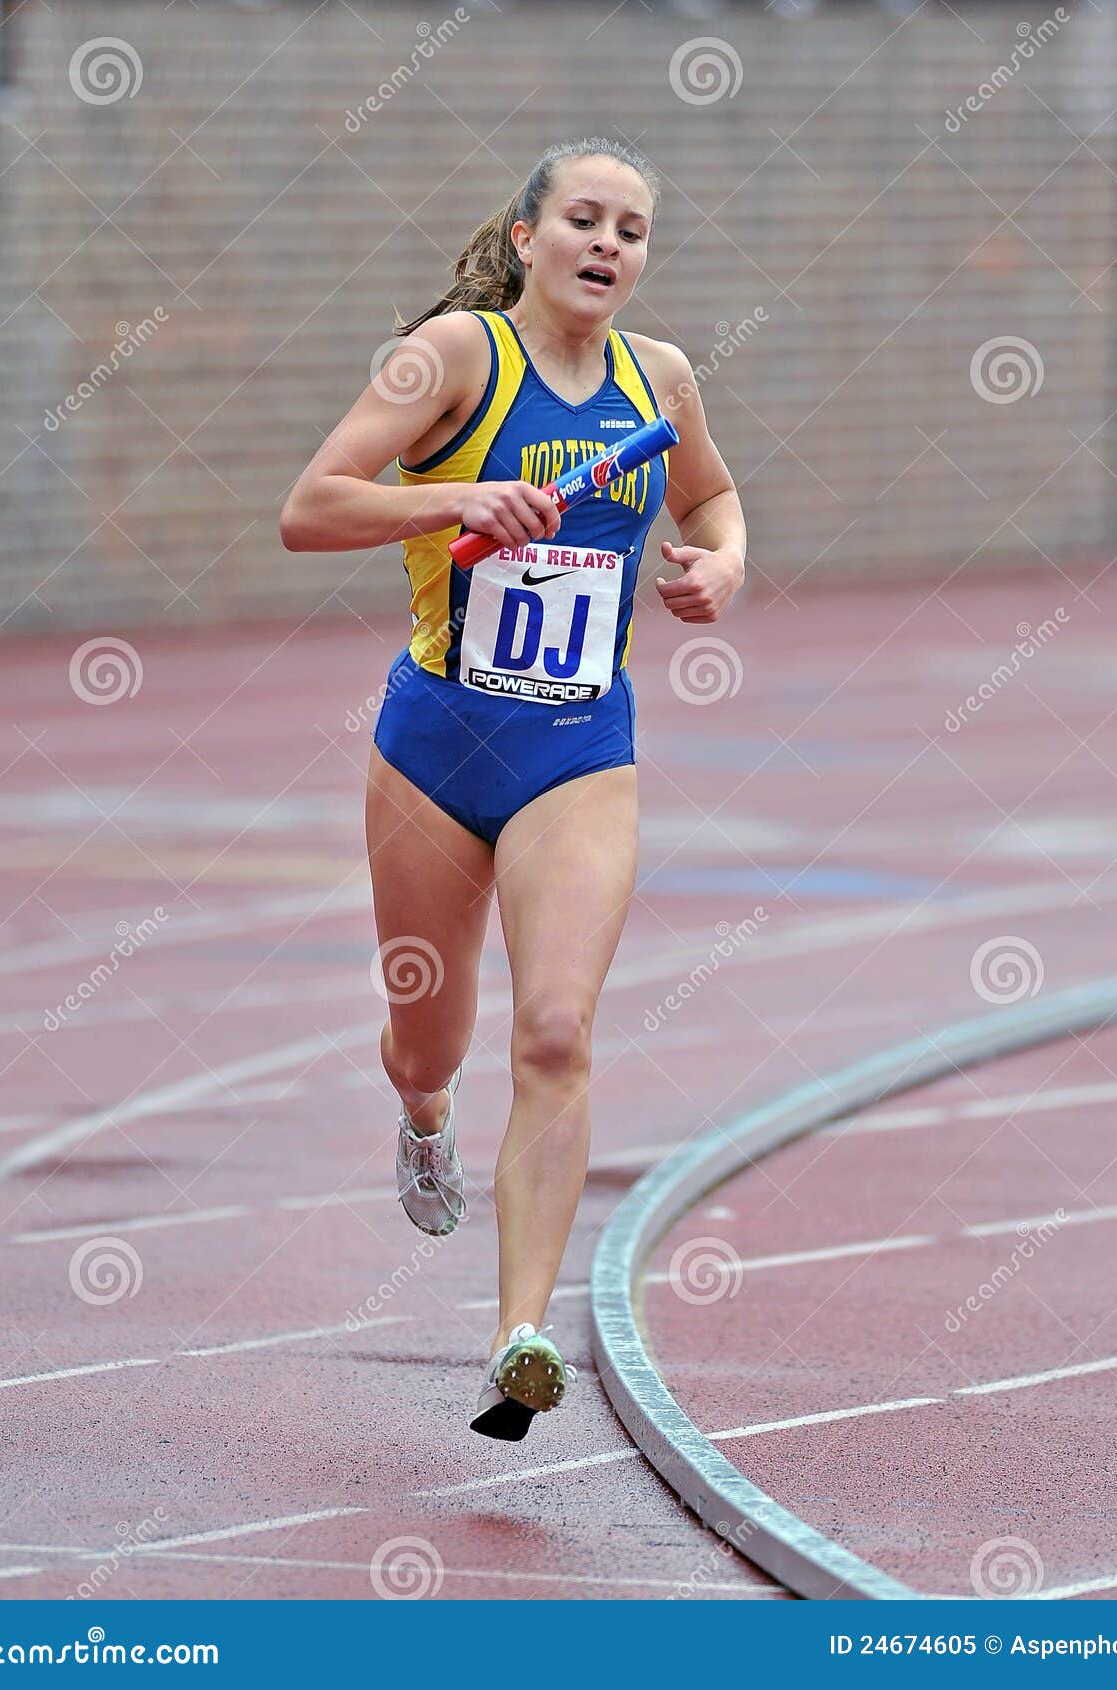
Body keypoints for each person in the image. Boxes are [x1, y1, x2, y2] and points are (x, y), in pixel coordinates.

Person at [281, 137, 746, 1441]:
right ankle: (422, 1111)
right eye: (586, 220)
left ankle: (519, 1335)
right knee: (432, 1037)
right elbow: (309, 508)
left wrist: (721, 567)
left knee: (554, 1033)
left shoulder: (661, 379)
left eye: (635, 229)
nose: (611, 245)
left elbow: (713, 503)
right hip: (435, 743)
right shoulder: (451, 357)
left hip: (579, 749)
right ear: (530, 236)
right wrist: (460, 500)